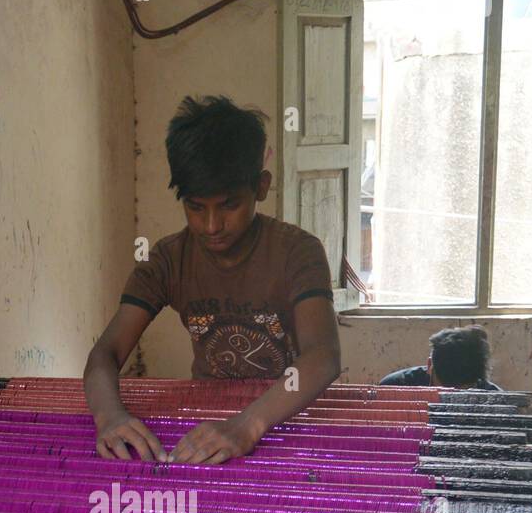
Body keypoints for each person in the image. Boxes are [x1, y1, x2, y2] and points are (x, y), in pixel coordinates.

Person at [84, 95, 341, 464]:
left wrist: (249, 425)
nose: (211, 226)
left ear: (261, 187)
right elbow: (104, 354)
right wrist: (109, 416)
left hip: (286, 416)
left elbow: (323, 356)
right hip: (209, 418)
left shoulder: (298, 252)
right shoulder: (167, 261)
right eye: (195, 207)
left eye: (229, 205)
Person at [380, 326, 502, 391]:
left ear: (477, 381)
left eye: (461, 391)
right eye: (444, 390)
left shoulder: (496, 402)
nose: (450, 399)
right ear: (429, 365)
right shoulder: (394, 388)